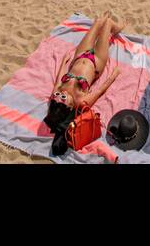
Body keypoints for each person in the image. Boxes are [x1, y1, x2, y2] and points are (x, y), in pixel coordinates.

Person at [43, 12, 126, 156]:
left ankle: (104, 25)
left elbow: (59, 77)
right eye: (63, 98)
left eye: (57, 96)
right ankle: (116, 28)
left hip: (79, 55)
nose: (61, 94)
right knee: (107, 24)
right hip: (96, 62)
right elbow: (99, 91)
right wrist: (113, 75)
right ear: (69, 106)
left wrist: (64, 62)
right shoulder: (80, 100)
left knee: (98, 22)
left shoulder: (58, 91)